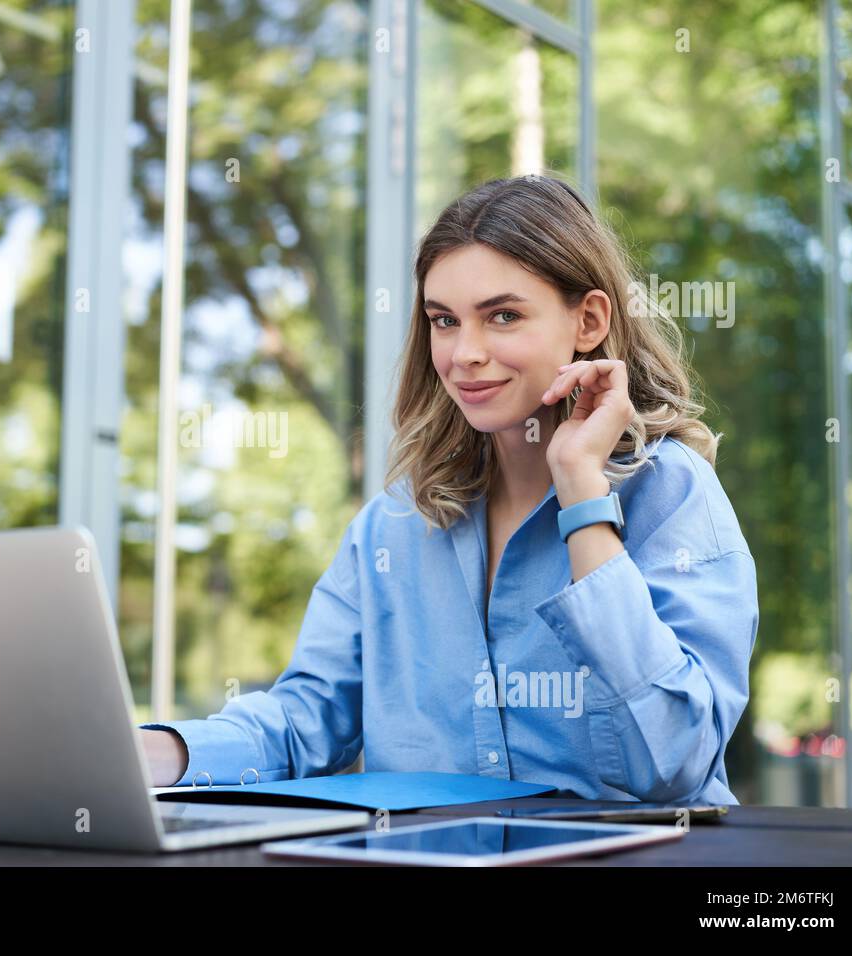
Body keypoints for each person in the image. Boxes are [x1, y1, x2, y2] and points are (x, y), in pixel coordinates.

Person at [137, 173, 759, 804]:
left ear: (589, 321)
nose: (465, 352)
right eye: (444, 321)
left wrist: (581, 491)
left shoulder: (672, 494)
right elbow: (307, 718)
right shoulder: (394, 526)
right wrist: (149, 754)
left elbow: (674, 762)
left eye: (504, 316)